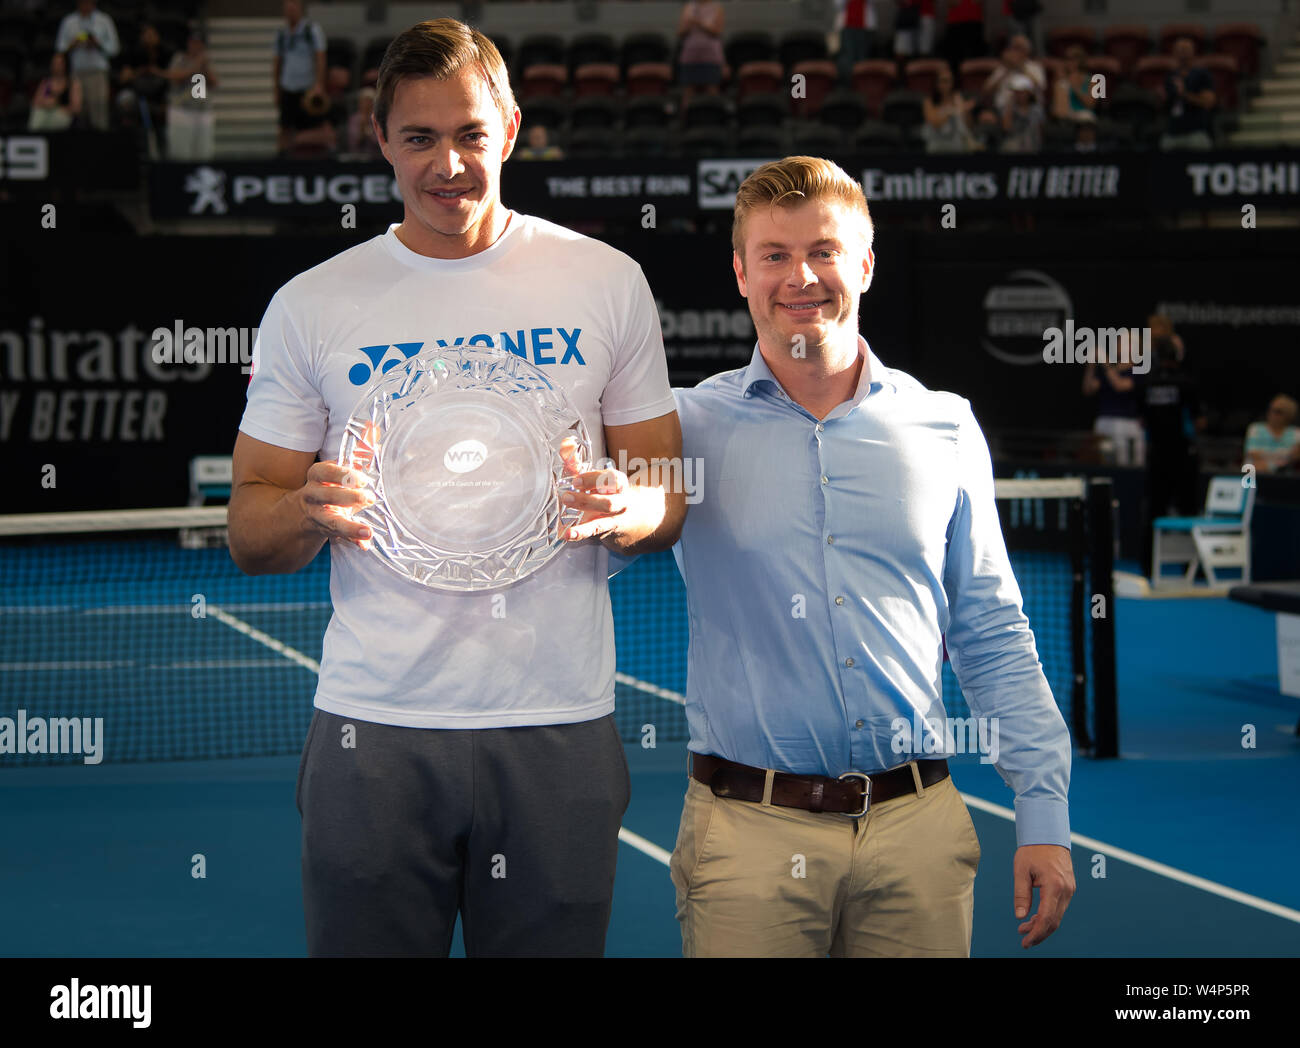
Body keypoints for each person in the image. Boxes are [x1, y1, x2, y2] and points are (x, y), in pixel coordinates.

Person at [228, 17, 685, 958]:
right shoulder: (311, 304)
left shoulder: (607, 281)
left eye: (471, 134)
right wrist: (308, 509)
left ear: (510, 130)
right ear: (380, 140)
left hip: (558, 721)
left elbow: (665, 492)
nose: (448, 164)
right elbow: (248, 526)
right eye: (419, 138)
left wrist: (628, 506)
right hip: (375, 728)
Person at [668, 156, 1074, 957]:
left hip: (918, 833)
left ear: (866, 263)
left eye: (824, 250)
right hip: (746, 839)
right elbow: (586, 563)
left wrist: (1045, 813)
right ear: (742, 272)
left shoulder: (947, 426)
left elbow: (992, 631)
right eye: (776, 255)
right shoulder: (681, 429)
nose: (802, 277)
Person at [1141, 336, 1203, 573]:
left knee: (1153, 510)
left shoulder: (1146, 384)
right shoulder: (1187, 384)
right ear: (1177, 357)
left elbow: (1142, 420)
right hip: (1183, 457)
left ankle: (1147, 565)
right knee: (1189, 509)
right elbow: (1198, 421)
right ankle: (1192, 568)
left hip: (1156, 457)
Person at [53, 0, 119, 131]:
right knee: (78, 112)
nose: (85, 5)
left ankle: (101, 143)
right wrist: (73, 44)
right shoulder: (69, 21)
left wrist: (98, 44)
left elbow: (114, 49)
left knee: (98, 109)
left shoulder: (104, 20)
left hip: (97, 71)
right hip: (77, 72)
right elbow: (60, 48)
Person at [1082, 330, 1145, 467]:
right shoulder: (1110, 370)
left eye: (1123, 342)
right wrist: (1091, 366)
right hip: (1104, 423)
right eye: (1118, 341)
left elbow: (1120, 385)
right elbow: (1088, 389)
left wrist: (1105, 363)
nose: (1118, 345)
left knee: (1128, 466)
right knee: (1105, 464)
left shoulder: (1140, 369)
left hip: (1127, 424)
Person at [273, 0, 327, 154]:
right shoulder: (282, 34)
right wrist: (276, 88)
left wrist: (319, 85)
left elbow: (320, 58)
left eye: (293, 7)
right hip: (288, 88)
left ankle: (309, 155)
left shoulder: (311, 30)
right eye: (287, 7)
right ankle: (282, 160)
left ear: (300, 8)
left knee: (314, 127)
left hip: (307, 89)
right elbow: (277, 63)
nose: (290, 10)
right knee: (284, 128)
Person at [117, 22, 172, 158]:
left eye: (152, 35)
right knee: (125, 99)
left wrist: (157, 72)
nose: (149, 38)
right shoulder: (134, 53)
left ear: (157, 37)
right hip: (140, 97)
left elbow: (174, 75)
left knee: (161, 132)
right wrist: (139, 72)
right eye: (146, 35)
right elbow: (123, 77)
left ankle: (163, 158)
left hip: (160, 97)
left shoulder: (166, 54)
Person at [164, 29, 220, 161]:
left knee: (204, 152)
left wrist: (204, 67)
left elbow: (215, 83)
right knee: (181, 153)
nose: (195, 46)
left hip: (202, 111)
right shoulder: (179, 59)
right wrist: (194, 67)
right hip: (182, 110)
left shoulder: (207, 62)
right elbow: (174, 78)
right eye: (193, 43)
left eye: (199, 43)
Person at [1160, 37, 1215, 151]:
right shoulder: (1170, 76)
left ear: (1193, 52)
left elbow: (1208, 103)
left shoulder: (1202, 74)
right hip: (1172, 133)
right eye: (1179, 50)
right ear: (1174, 52)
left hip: (1195, 133)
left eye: (1185, 50)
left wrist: (1184, 94)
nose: (1182, 54)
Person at [675, 0, 724, 112]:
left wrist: (698, 22)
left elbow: (717, 31)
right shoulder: (689, 7)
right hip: (690, 55)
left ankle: (713, 117)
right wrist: (687, 26)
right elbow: (680, 32)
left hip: (710, 56)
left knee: (711, 89)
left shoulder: (716, 7)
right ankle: (687, 119)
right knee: (688, 91)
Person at [921, 66, 979, 153]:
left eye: (950, 81)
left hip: (956, 143)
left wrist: (967, 112)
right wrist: (951, 111)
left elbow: (969, 126)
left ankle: (970, 141)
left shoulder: (957, 97)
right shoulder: (929, 101)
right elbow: (935, 123)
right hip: (937, 143)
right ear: (936, 83)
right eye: (943, 81)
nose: (947, 84)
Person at [1244, 395, 1300, 474]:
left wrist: (1271, 465)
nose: (1272, 413)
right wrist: (1285, 456)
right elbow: (1253, 454)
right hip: (1255, 474)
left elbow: (1295, 457)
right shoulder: (1255, 428)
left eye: (1278, 411)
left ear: (1289, 414)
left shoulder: (1296, 433)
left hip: (1285, 475)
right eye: (1270, 409)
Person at [28, 52, 83, 131]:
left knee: (57, 116)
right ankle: (33, 136)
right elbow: (36, 102)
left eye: (59, 63)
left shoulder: (72, 83)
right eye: (55, 63)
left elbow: (76, 108)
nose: (57, 66)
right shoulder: (47, 83)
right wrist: (46, 103)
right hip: (47, 111)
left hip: (63, 113)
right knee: (38, 112)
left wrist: (57, 106)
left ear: (65, 65)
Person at [999, 73, 1045, 153]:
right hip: (1013, 150)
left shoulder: (1037, 110)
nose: (1019, 95)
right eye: (1017, 92)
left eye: (1022, 92)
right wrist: (1010, 105)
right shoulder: (1008, 108)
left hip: (1033, 149)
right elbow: (1006, 127)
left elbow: (1041, 131)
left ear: (1029, 93)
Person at [834, 0, 875, 84]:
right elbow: (836, 4)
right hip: (847, 26)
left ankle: (862, 84)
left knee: (862, 56)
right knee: (848, 56)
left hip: (864, 27)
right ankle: (847, 84)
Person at [1051, 45, 1095, 123]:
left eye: (1073, 59)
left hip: (1083, 114)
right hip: (1065, 116)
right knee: (1062, 84)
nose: (1069, 62)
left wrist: (1075, 87)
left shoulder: (1092, 80)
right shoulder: (1061, 80)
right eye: (1067, 59)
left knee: (1086, 117)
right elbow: (1056, 108)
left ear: (1080, 61)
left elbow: (1090, 104)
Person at [343, 85, 382, 158]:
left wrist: (368, 133)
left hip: (376, 157)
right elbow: (353, 142)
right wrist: (362, 128)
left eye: (369, 101)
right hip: (357, 157)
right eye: (364, 101)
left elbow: (380, 142)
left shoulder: (378, 119)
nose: (366, 105)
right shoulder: (354, 119)